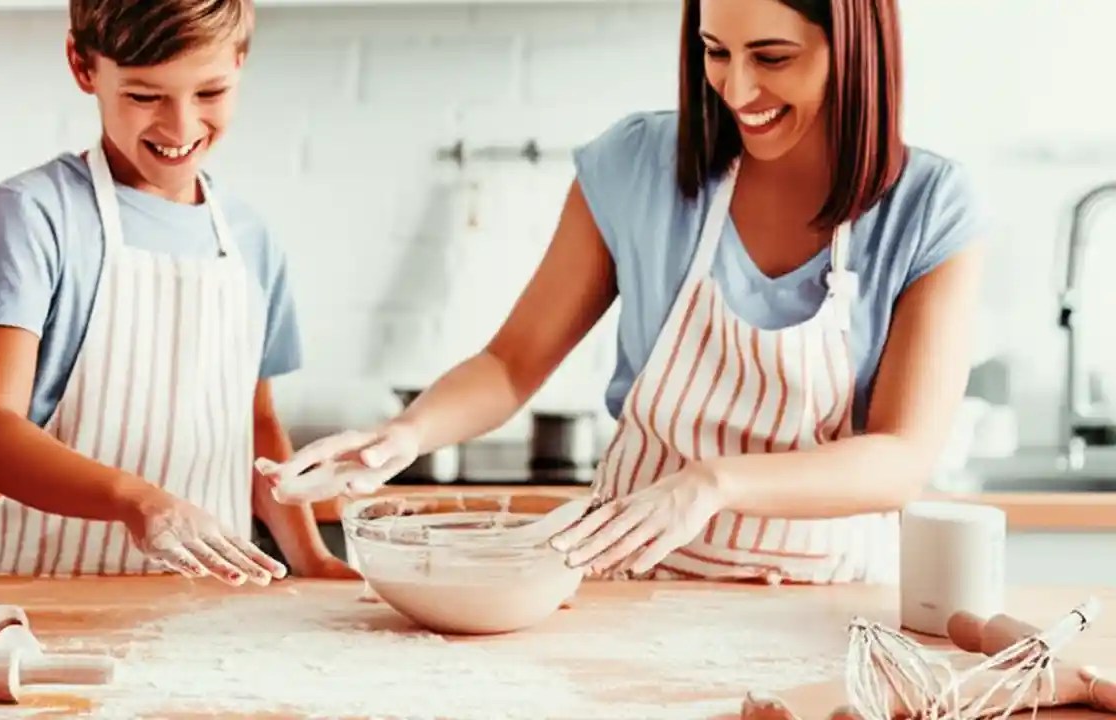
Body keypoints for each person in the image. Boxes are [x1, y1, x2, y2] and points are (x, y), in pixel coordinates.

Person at [258, 0, 985, 584]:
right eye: (714, 51)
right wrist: (406, 436)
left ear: (855, 44)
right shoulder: (637, 167)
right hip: (633, 585)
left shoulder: (928, 206)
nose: (736, 88)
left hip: (819, 606)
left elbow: (902, 456)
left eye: (772, 57)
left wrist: (711, 484)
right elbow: (513, 363)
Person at [0, 0, 356, 585]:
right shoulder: (34, 215)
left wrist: (312, 559)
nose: (181, 127)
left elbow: (253, 426)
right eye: (144, 96)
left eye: (209, 93)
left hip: (201, 609)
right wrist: (141, 501)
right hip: (38, 598)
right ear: (83, 67)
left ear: (240, 62)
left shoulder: (248, 238)